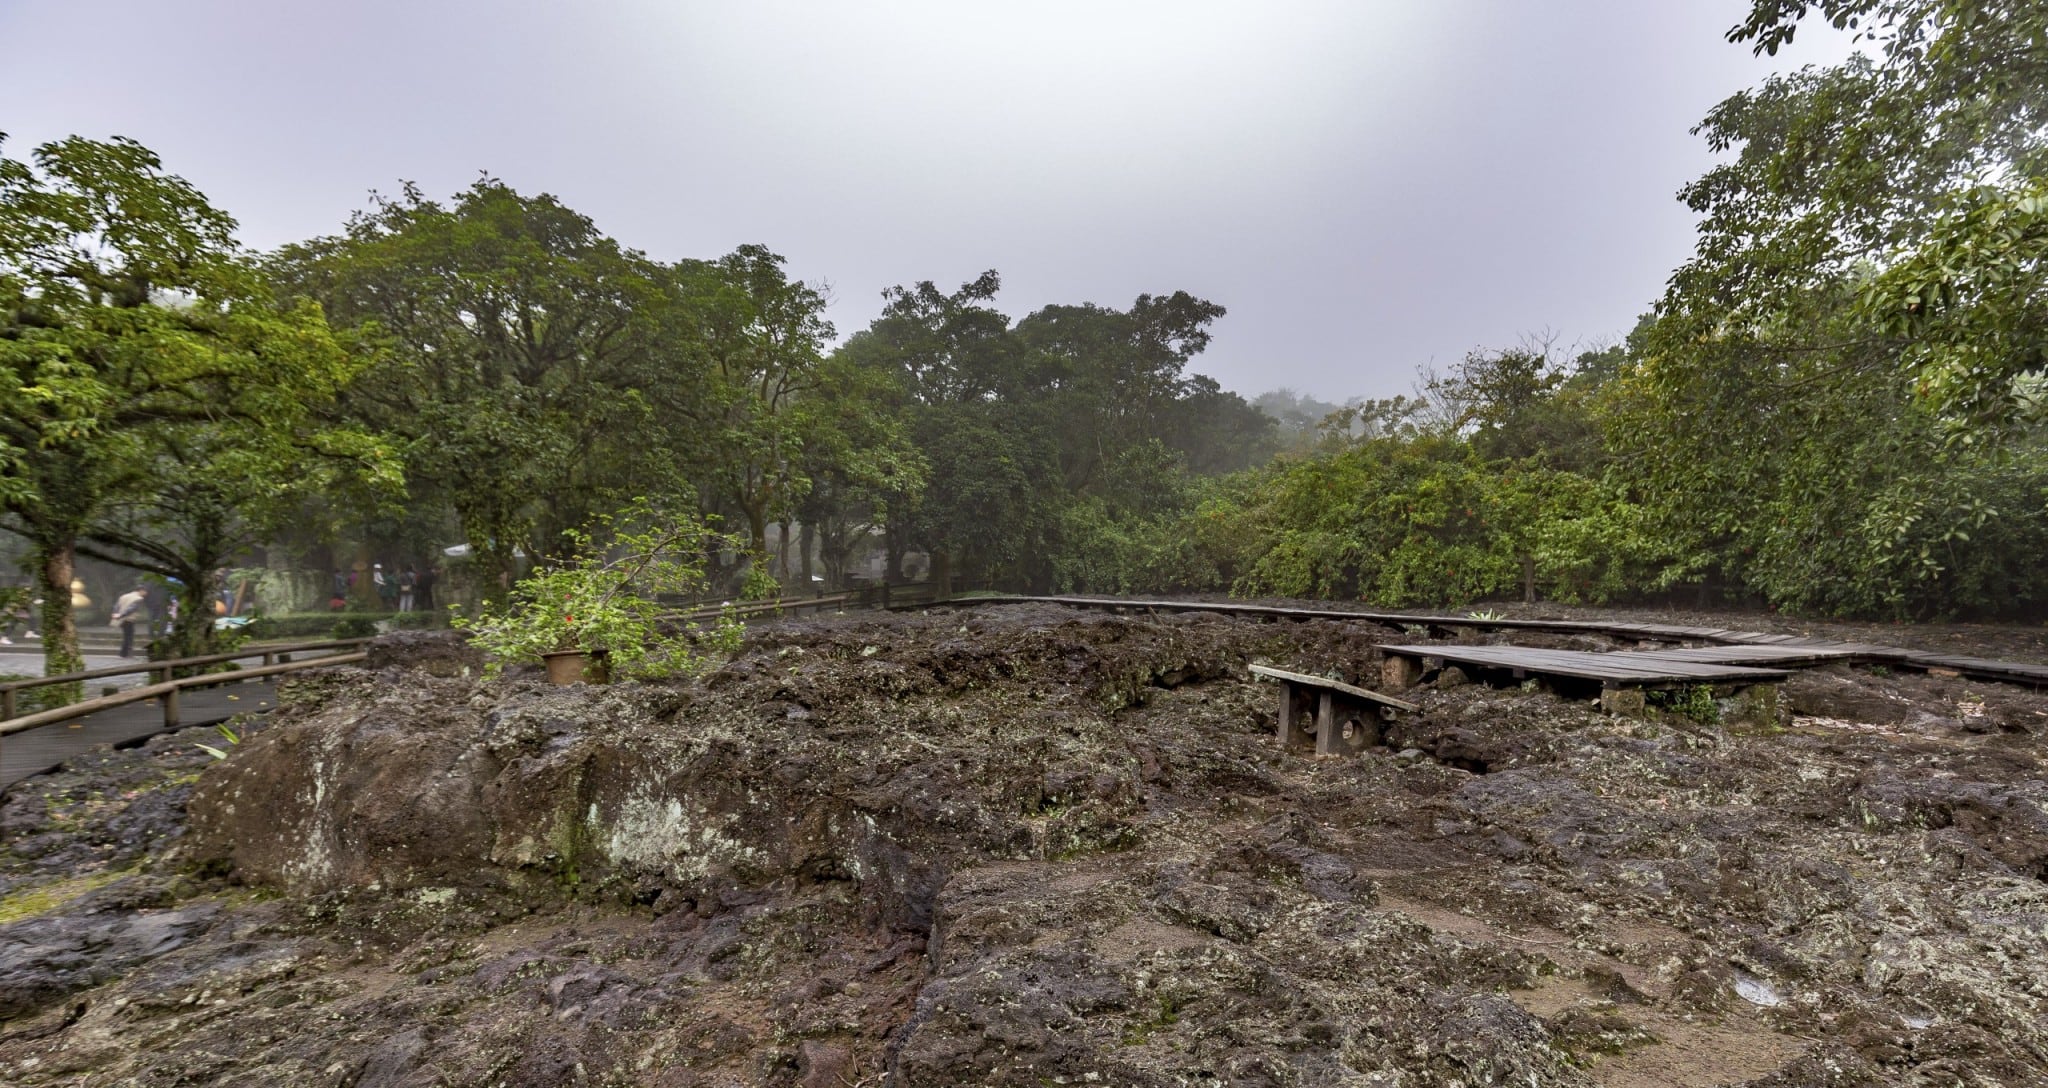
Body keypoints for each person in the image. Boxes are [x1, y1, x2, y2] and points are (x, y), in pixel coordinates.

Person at [111, 583, 149, 658]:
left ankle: (123, 653)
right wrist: (121, 615)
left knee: (126, 636)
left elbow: (116, 605)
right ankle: (127, 653)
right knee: (129, 637)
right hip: (128, 619)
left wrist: (115, 613)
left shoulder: (124, 596)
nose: (146, 593)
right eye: (145, 591)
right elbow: (131, 608)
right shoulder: (138, 598)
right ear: (141, 591)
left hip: (121, 619)